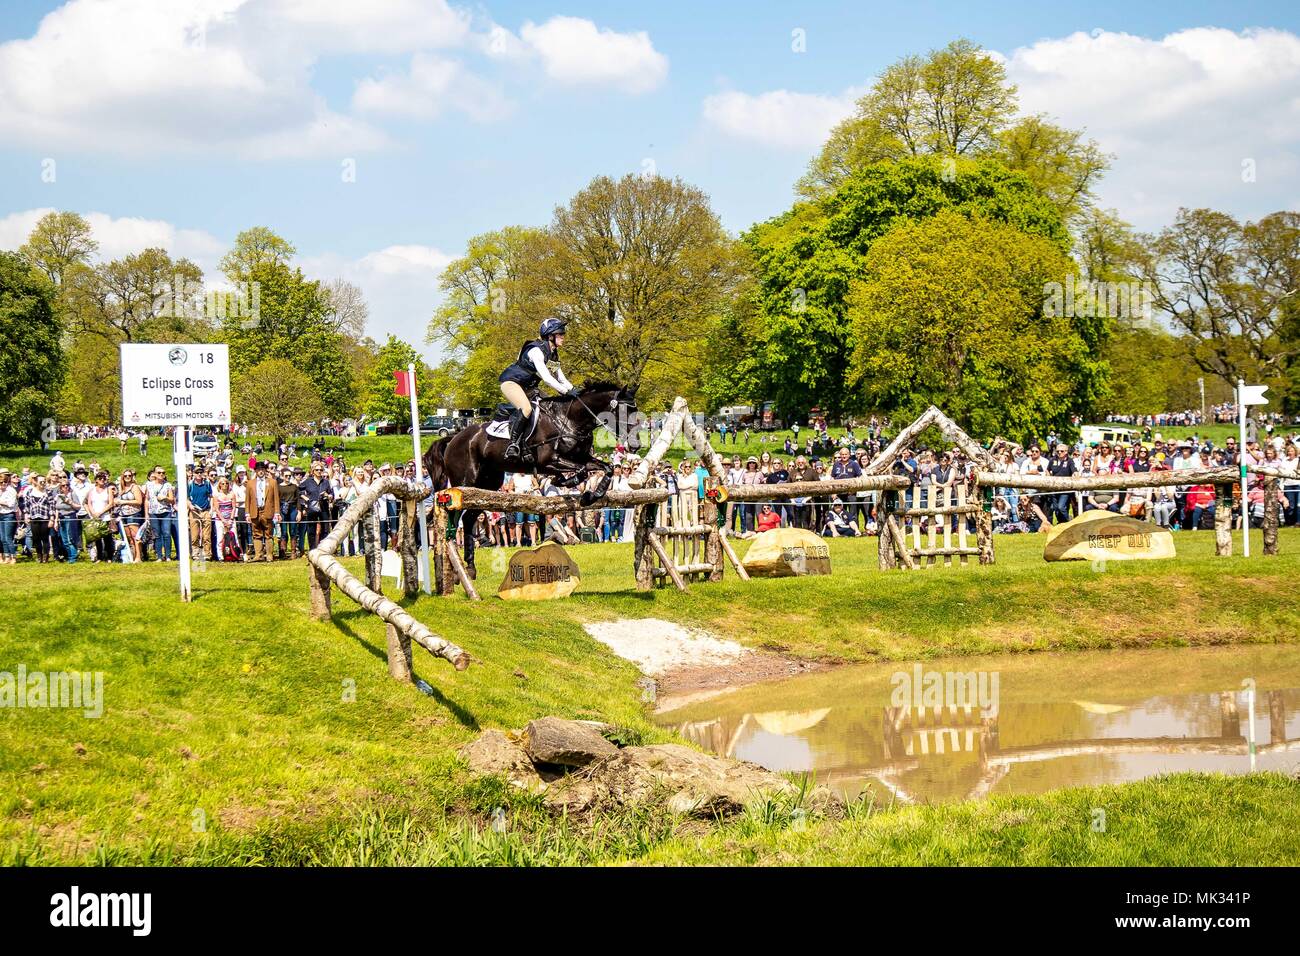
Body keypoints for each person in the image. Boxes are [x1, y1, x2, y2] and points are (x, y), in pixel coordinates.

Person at [498, 317, 579, 461]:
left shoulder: (552, 354)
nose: (563, 337)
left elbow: (560, 378)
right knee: (526, 409)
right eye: (560, 334)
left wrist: (575, 391)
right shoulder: (537, 351)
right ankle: (513, 444)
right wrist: (566, 392)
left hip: (528, 387)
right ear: (550, 336)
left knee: (550, 407)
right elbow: (547, 378)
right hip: (511, 383)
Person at [250, 461, 280, 562]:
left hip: (267, 510)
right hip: (255, 511)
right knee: (256, 533)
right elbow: (247, 500)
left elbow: (276, 498)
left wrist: (277, 512)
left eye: (262, 469)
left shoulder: (272, 482)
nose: (260, 471)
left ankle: (269, 555)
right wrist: (247, 513)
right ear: (255, 471)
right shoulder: (250, 483)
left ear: (265, 470)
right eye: (258, 470)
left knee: (268, 534)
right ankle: (258, 555)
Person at [144, 465, 175, 562]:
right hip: (153, 512)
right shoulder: (149, 485)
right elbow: (147, 499)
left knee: (166, 533)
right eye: (159, 472)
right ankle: (159, 556)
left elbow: (172, 500)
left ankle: (168, 556)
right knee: (156, 534)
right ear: (154, 474)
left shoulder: (167, 485)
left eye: (163, 473)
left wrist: (165, 498)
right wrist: (146, 514)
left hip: (165, 511)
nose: (161, 474)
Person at [116, 469, 145, 562]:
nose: (127, 477)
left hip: (134, 513)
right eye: (125, 476)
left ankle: (139, 557)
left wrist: (124, 502)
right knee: (129, 537)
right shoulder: (121, 488)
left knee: (135, 536)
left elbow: (139, 501)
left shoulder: (135, 487)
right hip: (123, 514)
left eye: (129, 475)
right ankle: (132, 555)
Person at [187, 467, 214, 561]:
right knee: (195, 535)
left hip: (205, 510)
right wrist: (190, 506)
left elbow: (211, 496)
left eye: (200, 472)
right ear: (194, 474)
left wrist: (211, 510)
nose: (199, 474)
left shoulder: (207, 483)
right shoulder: (190, 484)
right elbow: (187, 498)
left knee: (207, 535)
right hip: (194, 511)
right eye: (197, 472)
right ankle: (195, 553)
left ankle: (207, 553)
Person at [0, 469, 18, 564]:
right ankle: (7, 556)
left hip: (9, 515)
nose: (3, 484)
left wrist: (1, 502)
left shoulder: (11, 490)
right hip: (1, 515)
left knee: (8, 538)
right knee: (2, 538)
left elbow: (11, 504)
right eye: (1, 482)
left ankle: (13, 556)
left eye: (5, 482)